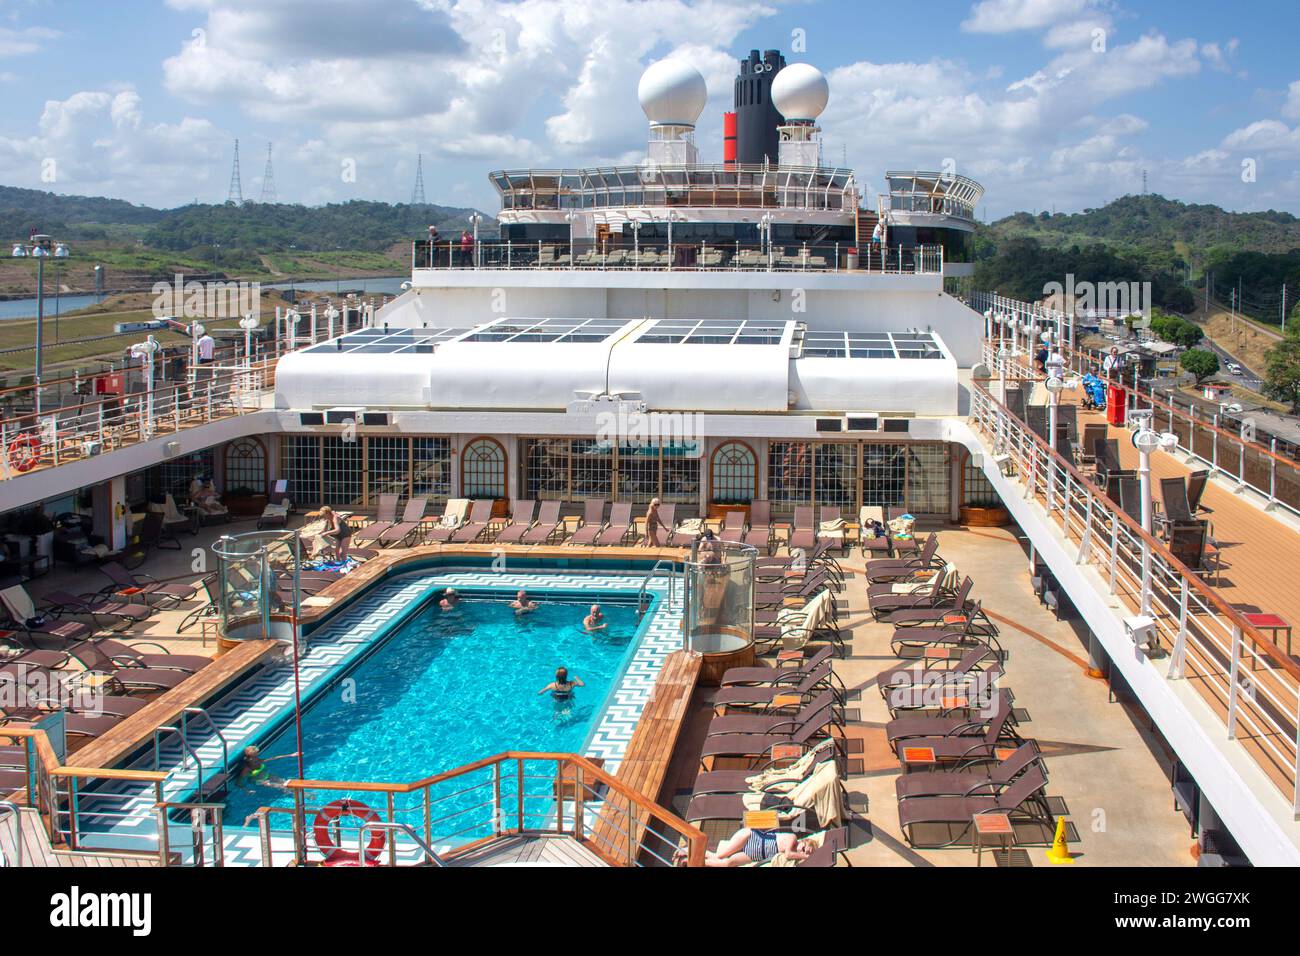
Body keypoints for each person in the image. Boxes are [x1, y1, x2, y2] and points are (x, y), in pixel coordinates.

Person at [674, 827, 817, 867]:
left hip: (754, 854)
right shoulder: (793, 839)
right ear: (804, 842)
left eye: (804, 852)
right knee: (719, 856)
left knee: (726, 864)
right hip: (751, 837)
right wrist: (807, 855)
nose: (802, 851)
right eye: (804, 848)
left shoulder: (794, 853)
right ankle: (687, 850)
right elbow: (788, 855)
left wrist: (807, 856)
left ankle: (691, 861)